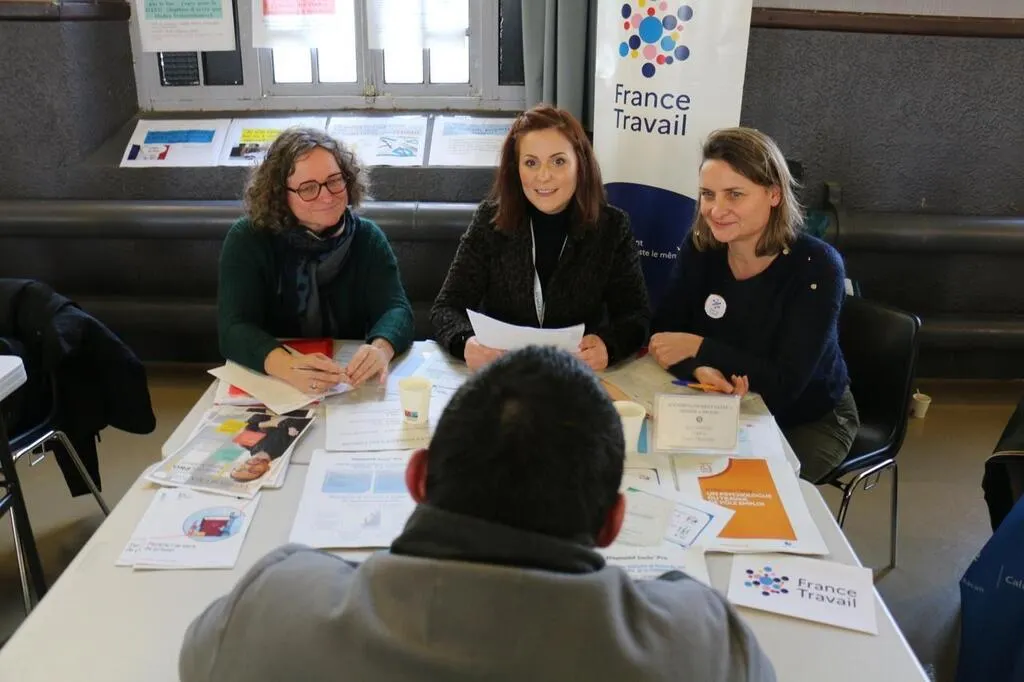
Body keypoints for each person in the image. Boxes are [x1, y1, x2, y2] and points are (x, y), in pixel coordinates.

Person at [179, 347, 776, 682]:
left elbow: (194, 658)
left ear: (417, 478)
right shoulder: (701, 647)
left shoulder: (271, 608)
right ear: (612, 523)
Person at [649, 127, 858, 483]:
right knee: (675, 478)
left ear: (774, 194)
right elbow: (664, 333)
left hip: (808, 417)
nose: (716, 210)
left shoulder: (818, 266)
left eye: (735, 194)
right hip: (723, 404)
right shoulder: (702, 247)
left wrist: (700, 347)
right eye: (708, 194)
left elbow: (785, 383)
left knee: (751, 494)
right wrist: (699, 368)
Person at [430, 105, 650, 372]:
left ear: (580, 164)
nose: (543, 176)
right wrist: (466, 343)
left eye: (558, 161)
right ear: (516, 169)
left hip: (576, 374)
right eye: (531, 163)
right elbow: (446, 308)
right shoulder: (489, 221)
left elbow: (636, 316)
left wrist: (608, 347)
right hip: (505, 373)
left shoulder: (612, 227)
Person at [218, 127, 414, 395]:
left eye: (335, 180)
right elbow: (233, 328)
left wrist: (381, 348)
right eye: (308, 188)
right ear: (280, 194)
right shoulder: (248, 239)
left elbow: (397, 309)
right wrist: (287, 365)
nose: (327, 196)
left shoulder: (367, 237)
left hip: (346, 378)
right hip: (274, 378)